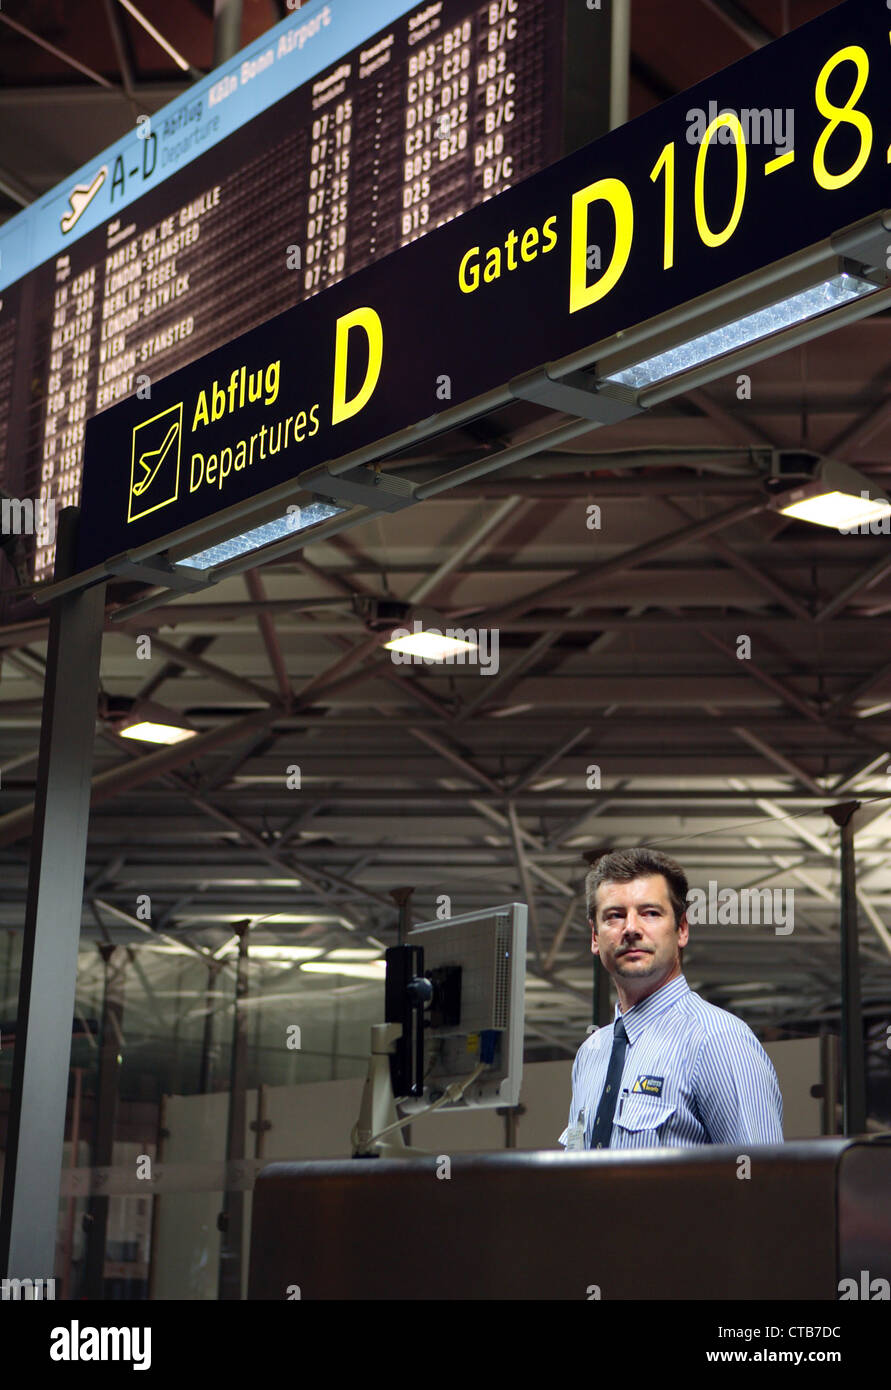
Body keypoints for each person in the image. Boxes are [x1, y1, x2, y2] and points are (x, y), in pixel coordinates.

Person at [559, 847, 784, 1150]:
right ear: (594, 937)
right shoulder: (591, 1054)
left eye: (650, 913)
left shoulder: (717, 1041)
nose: (631, 929)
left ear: (681, 929)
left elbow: (760, 1178)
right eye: (615, 916)